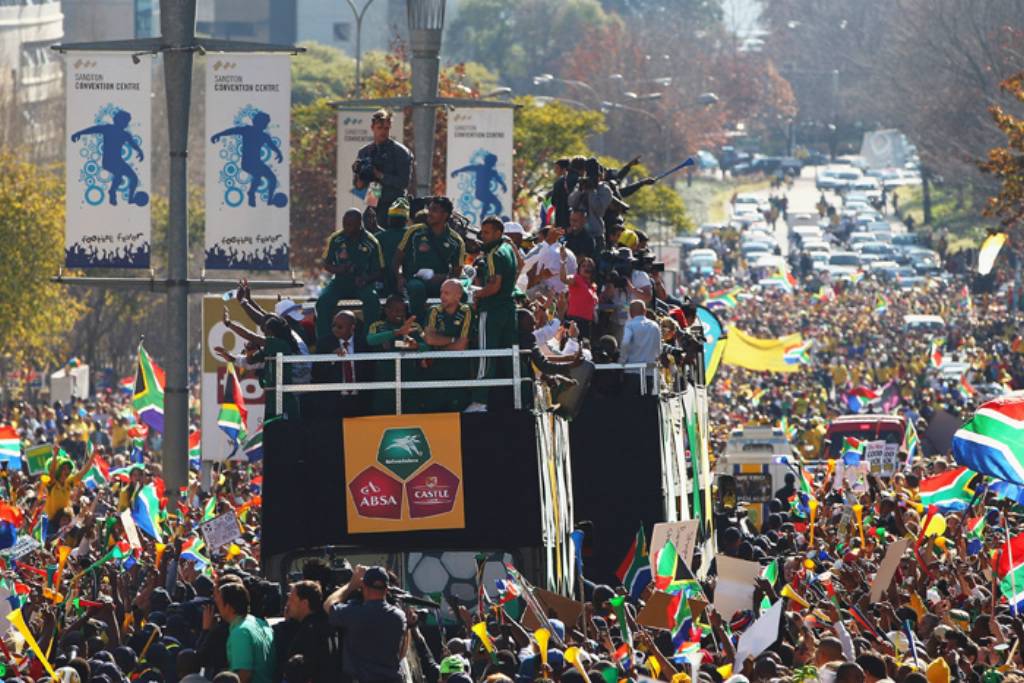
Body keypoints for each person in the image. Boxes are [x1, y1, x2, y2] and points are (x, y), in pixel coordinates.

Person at [468, 216, 519, 412]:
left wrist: (475, 294)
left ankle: (480, 401)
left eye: (487, 232)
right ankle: (520, 399)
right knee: (511, 356)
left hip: (492, 310)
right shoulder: (509, 250)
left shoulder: (492, 254)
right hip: (508, 308)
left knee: (485, 355)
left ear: (498, 233)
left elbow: (494, 286)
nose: (483, 236)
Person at [315, 208, 385, 350]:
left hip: (362, 283)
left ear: (359, 224)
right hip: (340, 282)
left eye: (350, 224)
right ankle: (326, 344)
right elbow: (326, 264)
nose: (346, 228)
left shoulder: (372, 242)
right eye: (345, 223)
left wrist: (366, 279)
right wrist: (338, 269)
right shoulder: (336, 239)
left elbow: (380, 271)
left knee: (372, 301)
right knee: (322, 302)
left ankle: (368, 343)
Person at [324, 566, 407, 683]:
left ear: (364, 587)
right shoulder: (399, 616)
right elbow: (402, 653)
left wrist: (351, 585)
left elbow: (328, 605)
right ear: (387, 589)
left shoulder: (353, 613)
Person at [394, 196, 466, 321]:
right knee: (417, 289)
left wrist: (445, 279)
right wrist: (399, 277)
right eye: (429, 209)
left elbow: (457, 271)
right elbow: (397, 259)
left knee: (462, 295)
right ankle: (420, 327)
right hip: (414, 280)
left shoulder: (456, 240)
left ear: (445, 215)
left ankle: (451, 325)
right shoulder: (414, 232)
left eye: (434, 210)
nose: (429, 213)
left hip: (440, 282)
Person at [352, 109, 412, 226]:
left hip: (395, 207)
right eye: (380, 128)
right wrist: (360, 173)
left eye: (386, 128)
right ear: (372, 127)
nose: (383, 132)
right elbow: (359, 186)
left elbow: (404, 182)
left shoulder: (400, 152)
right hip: (373, 202)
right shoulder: (365, 152)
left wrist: (380, 174)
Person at [421, 279, 474, 412]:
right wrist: (452, 340)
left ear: (458, 295)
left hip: (459, 372)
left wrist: (438, 348)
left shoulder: (466, 311)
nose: (442, 296)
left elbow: (461, 345)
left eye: (447, 293)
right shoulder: (434, 311)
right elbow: (429, 339)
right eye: (441, 293)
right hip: (436, 372)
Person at [366, 295, 423, 414]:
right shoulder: (377, 326)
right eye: (396, 310)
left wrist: (417, 346)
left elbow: (428, 346)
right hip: (384, 383)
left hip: (410, 381)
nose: (400, 313)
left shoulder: (414, 327)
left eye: (402, 310)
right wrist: (396, 333)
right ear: (386, 310)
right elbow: (370, 340)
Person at [214, 582, 276, 683]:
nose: (217, 608)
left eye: (219, 604)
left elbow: (244, 674)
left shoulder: (240, 632)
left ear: (229, 607)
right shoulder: (259, 622)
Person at [274, 581, 334, 683]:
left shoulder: (310, 632)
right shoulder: (321, 624)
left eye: (292, 600)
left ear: (304, 603)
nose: (288, 604)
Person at [618, 300, 661, 394]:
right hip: (649, 372)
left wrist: (621, 361)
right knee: (646, 404)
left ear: (630, 312)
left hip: (632, 372)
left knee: (632, 405)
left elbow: (625, 343)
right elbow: (658, 350)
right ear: (645, 311)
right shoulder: (655, 326)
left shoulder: (630, 325)